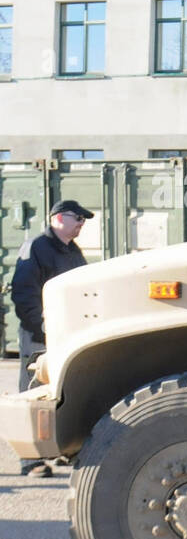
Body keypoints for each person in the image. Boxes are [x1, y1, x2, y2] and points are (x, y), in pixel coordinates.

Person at [9, 200, 91, 477]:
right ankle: (30, 461)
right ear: (57, 218)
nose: (81, 223)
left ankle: (57, 450)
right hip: (40, 335)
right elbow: (23, 293)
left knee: (62, 394)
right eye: (77, 218)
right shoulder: (36, 248)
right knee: (33, 394)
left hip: (67, 335)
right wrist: (44, 327)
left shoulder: (72, 251)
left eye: (83, 220)